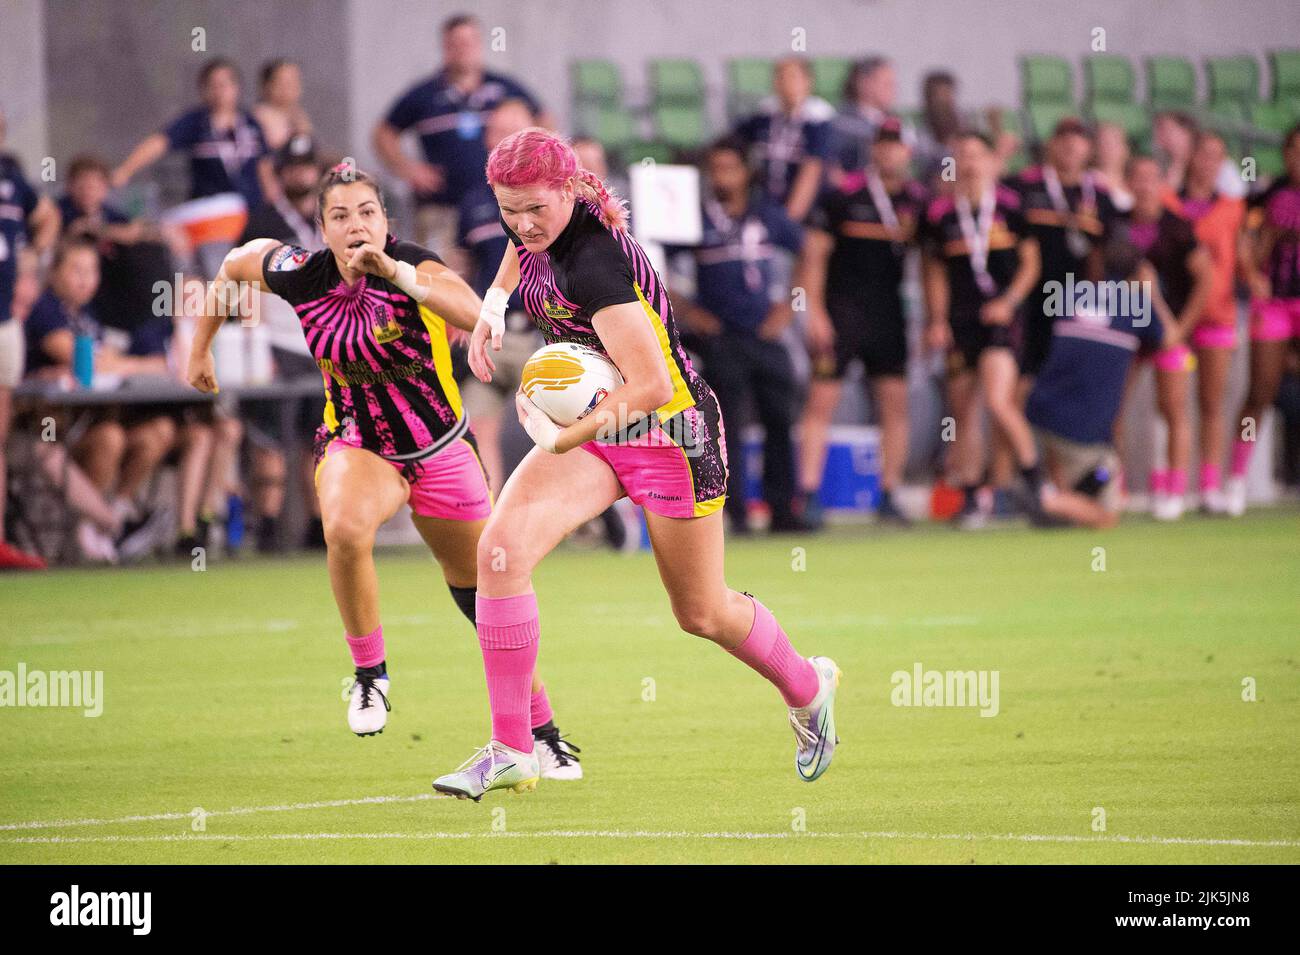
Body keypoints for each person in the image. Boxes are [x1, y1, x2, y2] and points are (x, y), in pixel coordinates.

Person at [430, 127, 841, 801]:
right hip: (601, 422)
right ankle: (513, 746)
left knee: (702, 611)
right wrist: (493, 310)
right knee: (500, 551)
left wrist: (564, 437)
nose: (522, 223)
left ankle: (808, 686)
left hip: (671, 435)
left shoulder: (593, 264)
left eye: (536, 208)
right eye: (509, 208)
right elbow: (515, 244)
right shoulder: (540, 223)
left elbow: (650, 386)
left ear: (567, 192)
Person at [185, 163, 582, 779]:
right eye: (339, 216)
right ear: (320, 229)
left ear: (384, 221)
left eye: (366, 212)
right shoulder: (301, 275)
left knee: (485, 598)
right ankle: (370, 675)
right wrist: (198, 348)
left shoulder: (412, 264)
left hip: (443, 449)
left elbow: (473, 312)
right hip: (358, 445)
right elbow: (234, 264)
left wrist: (393, 271)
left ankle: (545, 732)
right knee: (342, 529)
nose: (355, 225)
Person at [666, 134, 806, 535]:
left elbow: (809, 250)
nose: (722, 177)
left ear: (747, 173)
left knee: (780, 416)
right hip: (722, 335)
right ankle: (737, 511)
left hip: (764, 331)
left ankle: (784, 510)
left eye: (730, 169)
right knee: (729, 421)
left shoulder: (766, 214)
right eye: (715, 169)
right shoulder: (695, 218)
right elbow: (657, 266)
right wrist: (691, 313)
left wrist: (789, 306)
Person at [796, 116, 927, 528]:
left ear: (908, 152)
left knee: (895, 403)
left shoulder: (916, 202)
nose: (889, 151)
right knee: (821, 402)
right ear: (874, 149)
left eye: (896, 144)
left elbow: (931, 264)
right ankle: (810, 494)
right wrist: (814, 312)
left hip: (889, 316)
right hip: (841, 314)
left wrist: (931, 321)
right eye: (882, 144)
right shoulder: (842, 196)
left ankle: (889, 492)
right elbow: (814, 256)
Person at [23, 236, 176, 561]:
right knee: (109, 437)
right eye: (76, 270)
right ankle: (109, 526)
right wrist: (142, 364)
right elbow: (87, 363)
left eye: (91, 271)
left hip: (89, 418)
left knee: (159, 431)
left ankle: (116, 513)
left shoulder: (88, 315)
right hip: (47, 430)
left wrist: (129, 363)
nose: (85, 279)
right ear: (53, 272)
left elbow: (112, 359)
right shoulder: (45, 310)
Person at [920, 131, 1044, 528]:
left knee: (997, 399)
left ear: (993, 162)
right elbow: (934, 273)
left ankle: (1033, 482)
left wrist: (1008, 302)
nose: (970, 164)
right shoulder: (940, 215)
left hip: (1000, 324)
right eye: (962, 156)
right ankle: (973, 494)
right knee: (963, 410)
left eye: (977, 156)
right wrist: (937, 321)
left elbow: (1031, 265)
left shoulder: (1011, 207)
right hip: (960, 324)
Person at [1027, 238, 1173, 528]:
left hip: (1040, 410)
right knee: (1107, 510)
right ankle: (1047, 500)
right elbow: (1169, 338)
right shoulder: (1136, 306)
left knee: (1081, 467)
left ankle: (1060, 501)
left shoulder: (1068, 294)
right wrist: (1152, 292)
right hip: (1083, 431)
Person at [373, 13, 544, 258]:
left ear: (480, 44)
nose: (463, 50)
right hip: (442, 209)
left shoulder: (503, 88)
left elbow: (543, 119)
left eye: (470, 42)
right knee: (440, 274)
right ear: (445, 47)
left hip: (498, 207)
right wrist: (408, 169)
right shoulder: (424, 94)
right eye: (456, 43)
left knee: (502, 267)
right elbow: (383, 134)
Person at [454, 98, 542, 499]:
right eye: (495, 132)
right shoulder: (473, 201)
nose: (502, 139)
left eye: (512, 130)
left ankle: (595, 521)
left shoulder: (550, 196)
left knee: (565, 424)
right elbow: (459, 266)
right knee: (474, 427)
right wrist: (456, 310)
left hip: (540, 334)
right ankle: (491, 523)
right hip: (490, 333)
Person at [1121, 155, 1212, 521]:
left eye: (1151, 177)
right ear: (1128, 182)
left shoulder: (1178, 229)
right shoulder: (1116, 227)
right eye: (1137, 177)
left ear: (1161, 182)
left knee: (1173, 409)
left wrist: (1180, 329)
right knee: (1113, 411)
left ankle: (1173, 489)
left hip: (1168, 332)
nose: (1144, 185)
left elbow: (1206, 280)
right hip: (1125, 332)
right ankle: (1117, 486)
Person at [1009, 118, 1122, 383]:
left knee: (1070, 375)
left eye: (1079, 139)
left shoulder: (1101, 196)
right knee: (1025, 373)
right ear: (1051, 144)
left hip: (1077, 302)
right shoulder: (1023, 186)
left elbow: (1109, 249)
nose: (1071, 144)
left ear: (1089, 149)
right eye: (1064, 138)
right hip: (1031, 300)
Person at [1227, 124, 1300, 515]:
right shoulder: (1269, 194)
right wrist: (1252, 274)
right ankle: (1236, 479)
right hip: (1275, 305)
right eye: (1294, 151)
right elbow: (1246, 240)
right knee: (1261, 391)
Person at [0, 119, 60, 570]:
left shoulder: (12, 179)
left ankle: (0, 540)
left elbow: (48, 216)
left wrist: (32, 257)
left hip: (5, 323)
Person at [1177, 132, 1247, 513]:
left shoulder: (1233, 208)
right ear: (1191, 157)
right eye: (1203, 154)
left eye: (1217, 156)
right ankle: (1169, 486)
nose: (1209, 162)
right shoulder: (1169, 203)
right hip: (1174, 317)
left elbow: (1242, 256)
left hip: (1217, 315)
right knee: (1171, 404)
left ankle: (1209, 486)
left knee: (1212, 402)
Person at [112, 58, 277, 211]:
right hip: (211, 212)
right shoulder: (196, 122)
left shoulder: (250, 123)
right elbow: (159, 143)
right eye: (214, 85)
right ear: (203, 90)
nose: (220, 92)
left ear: (237, 87)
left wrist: (271, 193)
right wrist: (126, 170)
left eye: (225, 85)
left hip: (251, 208)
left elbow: (264, 164)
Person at [733, 56, 834, 222]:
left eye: (792, 77)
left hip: (807, 214)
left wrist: (788, 224)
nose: (785, 83)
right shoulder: (765, 116)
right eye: (780, 76)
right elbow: (732, 144)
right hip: (765, 203)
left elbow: (812, 171)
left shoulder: (817, 121)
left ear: (808, 81)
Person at [830, 57, 914, 181]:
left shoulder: (899, 120)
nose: (893, 90)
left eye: (894, 84)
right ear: (863, 83)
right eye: (887, 84)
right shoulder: (839, 120)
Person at [253, 59, 314, 153]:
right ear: (267, 86)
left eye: (294, 81)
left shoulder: (298, 114)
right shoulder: (259, 116)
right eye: (283, 82)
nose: (291, 87)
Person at [1093, 121, 1134, 212]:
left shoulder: (1135, 182)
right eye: (1103, 142)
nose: (1108, 148)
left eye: (1114, 142)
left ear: (1126, 149)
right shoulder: (1087, 181)